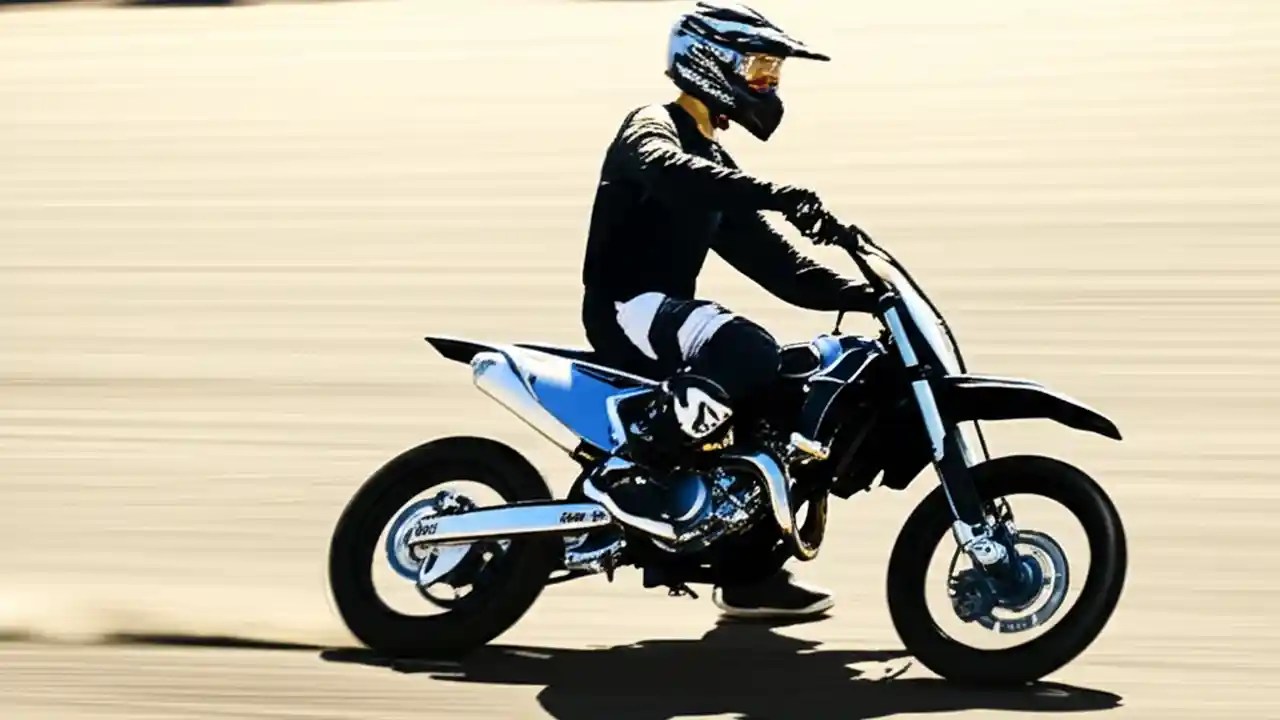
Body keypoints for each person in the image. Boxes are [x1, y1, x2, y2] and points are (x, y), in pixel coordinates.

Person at [579, 1, 877, 618]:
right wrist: (778, 193)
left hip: (663, 313)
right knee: (747, 348)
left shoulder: (715, 165)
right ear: (712, 61)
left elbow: (783, 269)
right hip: (625, 308)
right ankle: (638, 471)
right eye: (761, 68)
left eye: (773, 72)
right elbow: (672, 173)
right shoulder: (651, 128)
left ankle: (747, 573)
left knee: (780, 414)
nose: (769, 83)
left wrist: (873, 294)